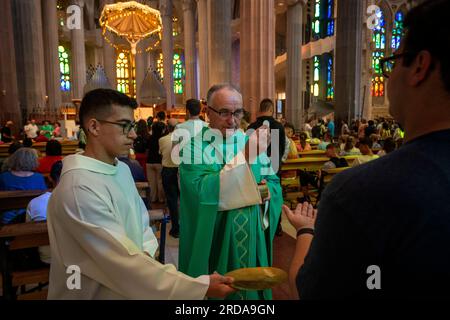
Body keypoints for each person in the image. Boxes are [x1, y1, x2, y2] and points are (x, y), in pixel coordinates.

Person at [285, 0, 450, 299]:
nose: (387, 76)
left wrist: (307, 230)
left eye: (394, 61)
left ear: (420, 67)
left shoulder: (363, 193)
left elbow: (308, 292)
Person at [46, 88, 235, 299]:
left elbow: (141, 222)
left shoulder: (122, 168)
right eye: (124, 126)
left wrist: (146, 253)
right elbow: (121, 262)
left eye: (133, 126)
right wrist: (198, 287)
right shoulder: (78, 188)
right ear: (93, 126)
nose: (134, 134)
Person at [178, 84, 283, 300]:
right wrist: (246, 158)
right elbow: (201, 192)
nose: (232, 120)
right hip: (217, 240)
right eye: (224, 112)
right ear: (208, 112)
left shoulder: (249, 141)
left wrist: (260, 190)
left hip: (252, 238)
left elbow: (272, 184)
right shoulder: (193, 148)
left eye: (238, 112)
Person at [26, 160, 63, 264]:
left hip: (47, 258)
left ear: (50, 179)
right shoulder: (83, 200)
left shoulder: (35, 203)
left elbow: (29, 235)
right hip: (78, 260)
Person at [0, 148, 47, 224]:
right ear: (34, 161)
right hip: (34, 216)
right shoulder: (38, 177)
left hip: (8, 219)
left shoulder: (3, 177)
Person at [247, 98, 286, 174]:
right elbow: (282, 147)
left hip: (256, 167)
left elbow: (248, 148)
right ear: (271, 110)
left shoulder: (251, 127)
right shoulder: (278, 126)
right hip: (274, 166)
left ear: (260, 110)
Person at [159, 118, 180, 238]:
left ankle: (175, 228)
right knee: (184, 200)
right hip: (181, 170)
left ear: (167, 127)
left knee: (172, 200)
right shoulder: (184, 140)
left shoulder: (162, 140)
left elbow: (161, 153)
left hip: (168, 170)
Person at [146, 121, 166, 203]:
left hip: (149, 162)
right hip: (159, 162)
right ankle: (161, 199)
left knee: (152, 183)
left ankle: (153, 198)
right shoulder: (162, 139)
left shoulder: (150, 138)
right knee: (159, 181)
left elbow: (147, 150)